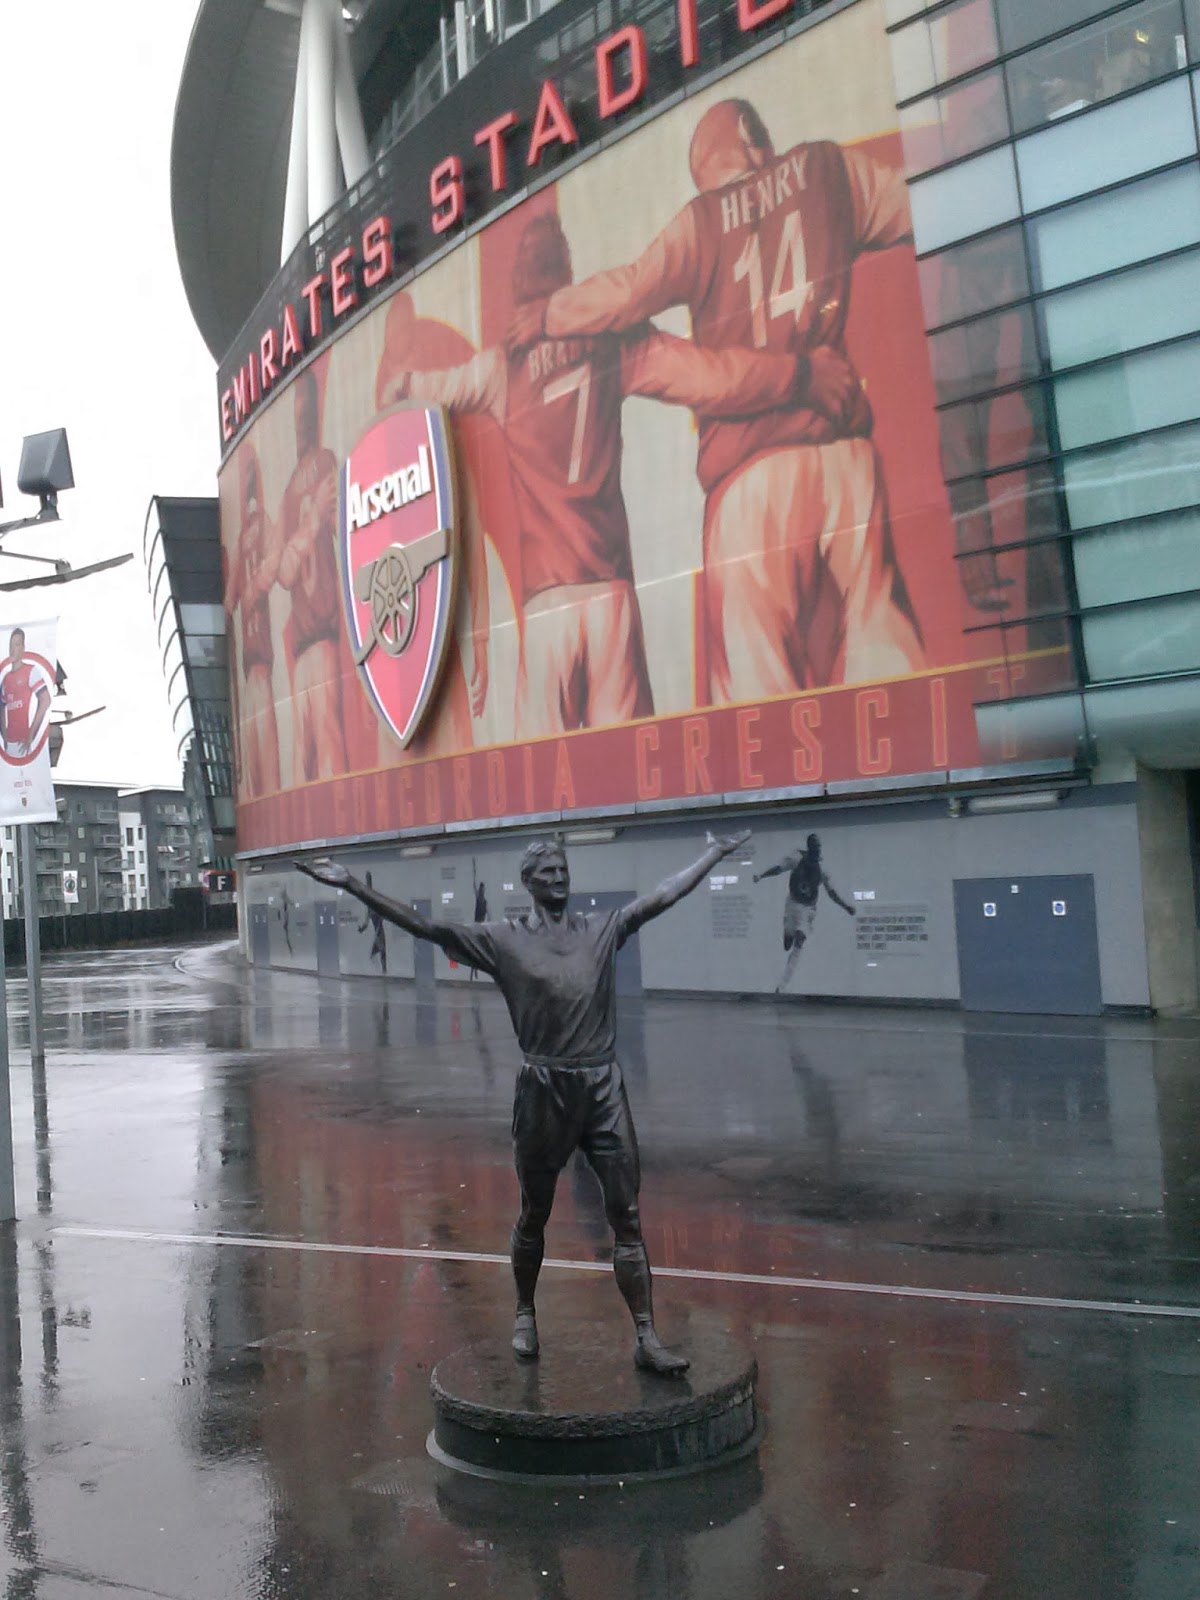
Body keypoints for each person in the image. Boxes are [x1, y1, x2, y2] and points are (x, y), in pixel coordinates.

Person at [509, 100, 927, 701]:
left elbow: (629, 292)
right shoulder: (829, 170)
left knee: (757, 687)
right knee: (881, 631)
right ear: (756, 139)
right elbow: (930, 197)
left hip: (747, 476)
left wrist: (551, 314)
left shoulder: (700, 222)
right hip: (841, 454)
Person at [297, 827, 750, 1373]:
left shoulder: (602, 929)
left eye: (563, 869)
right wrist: (353, 885)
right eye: (546, 872)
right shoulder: (502, 940)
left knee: (626, 1215)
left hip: (602, 1086)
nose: (558, 878)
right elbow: (428, 926)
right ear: (528, 884)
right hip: (544, 1089)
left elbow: (663, 896)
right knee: (534, 1210)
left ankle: (647, 1336)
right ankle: (524, 1311)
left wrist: (711, 854)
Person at [383, 211, 838, 736]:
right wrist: (798, 376)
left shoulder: (497, 370)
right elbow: (712, 379)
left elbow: (432, 390)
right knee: (629, 767)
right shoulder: (614, 342)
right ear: (568, 275)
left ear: (516, 283)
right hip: (611, 591)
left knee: (543, 785)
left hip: (547, 597)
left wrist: (400, 380)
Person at [265, 368, 347, 782]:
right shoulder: (296, 489)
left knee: (314, 748)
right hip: (311, 636)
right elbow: (283, 570)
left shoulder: (324, 465)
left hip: (319, 635)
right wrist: (312, 519)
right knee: (314, 747)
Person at [225, 449, 281, 798]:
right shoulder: (251, 529)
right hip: (253, 658)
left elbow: (235, 596)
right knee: (263, 757)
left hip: (258, 655)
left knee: (266, 761)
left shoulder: (259, 525)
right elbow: (231, 598)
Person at [754, 832, 855, 993]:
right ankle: (787, 932)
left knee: (799, 940)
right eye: (815, 848)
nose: (818, 852)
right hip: (792, 903)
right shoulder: (796, 858)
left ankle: (782, 984)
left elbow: (832, 893)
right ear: (809, 848)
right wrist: (761, 875)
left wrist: (846, 906)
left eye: (819, 849)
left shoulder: (822, 869)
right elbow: (778, 869)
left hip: (808, 909)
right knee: (787, 943)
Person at [0, 628, 52, 757]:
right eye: (11, 645)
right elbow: (2, 706)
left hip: (23, 743)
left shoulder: (30, 671)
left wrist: (31, 735)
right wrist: (5, 736)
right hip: (9, 744)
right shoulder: (6, 678)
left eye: (17, 645)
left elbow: (45, 700)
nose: (13, 649)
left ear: (23, 648)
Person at [357, 870, 387, 974]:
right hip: (377, 931)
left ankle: (384, 970)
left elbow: (381, 916)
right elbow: (366, 922)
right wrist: (362, 928)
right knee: (379, 950)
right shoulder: (370, 908)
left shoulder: (374, 905)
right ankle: (382, 971)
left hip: (379, 930)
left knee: (382, 949)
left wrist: (363, 928)